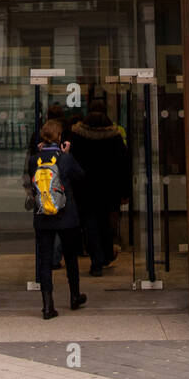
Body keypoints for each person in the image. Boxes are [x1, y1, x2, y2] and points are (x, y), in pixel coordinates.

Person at [26, 118, 87, 319]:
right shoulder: (65, 159)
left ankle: (47, 306)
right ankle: (75, 296)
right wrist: (66, 155)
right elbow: (81, 177)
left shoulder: (34, 159)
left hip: (43, 216)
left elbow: (32, 180)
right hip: (66, 215)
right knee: (70, 257)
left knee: (45, 260)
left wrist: (40, 152)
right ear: (60, 137)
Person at [70, 99, 130, 275]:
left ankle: (96, 261)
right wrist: (124, 191)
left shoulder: (77, 135)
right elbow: (123, 166)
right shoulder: (115, 135)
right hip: (108, 189)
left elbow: (72, 162)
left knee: (89, 225)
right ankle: (105, 256)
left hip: (85, 188)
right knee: (106, 224)